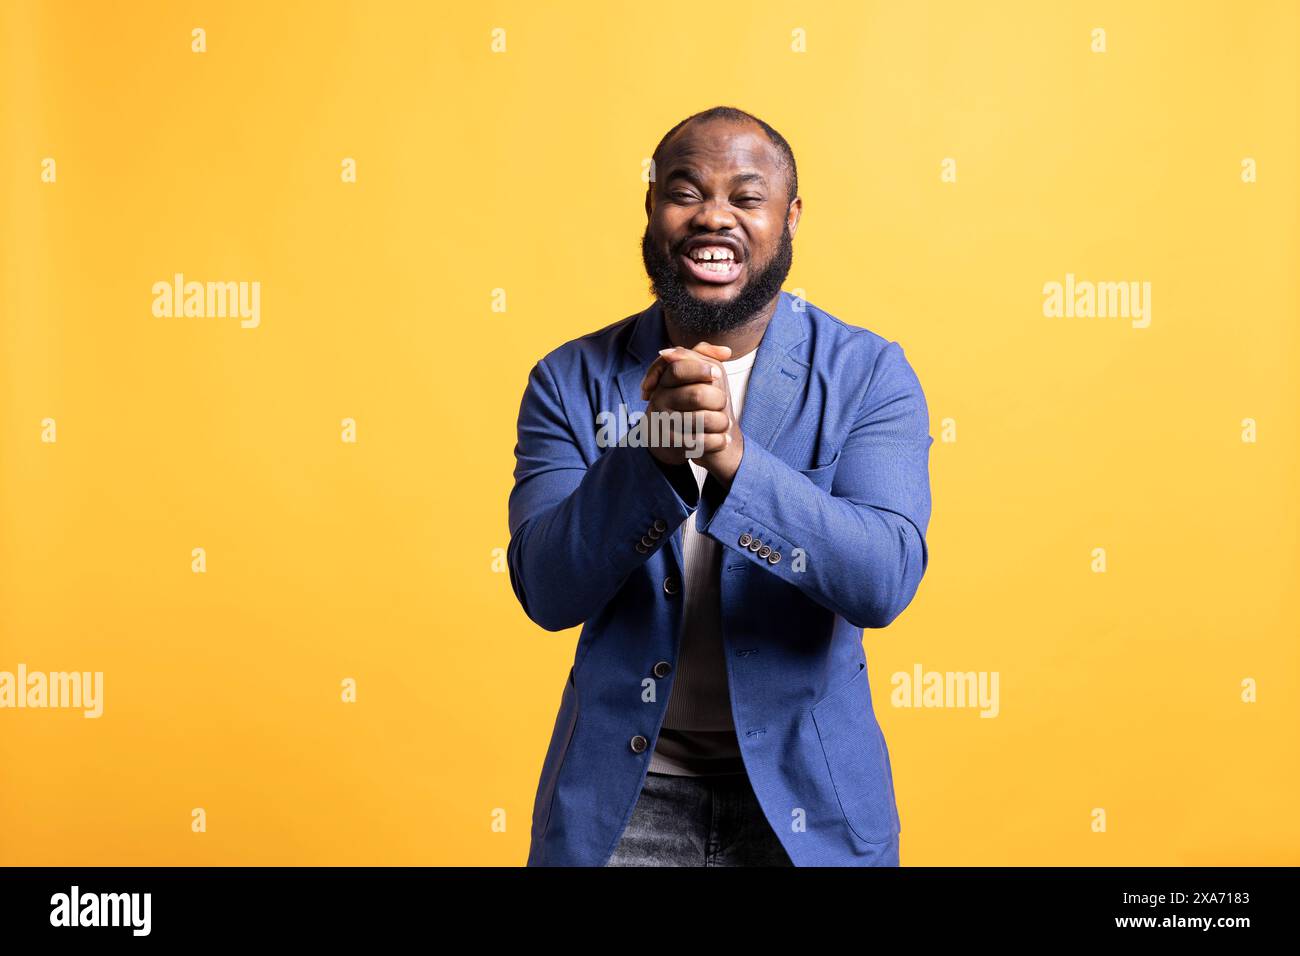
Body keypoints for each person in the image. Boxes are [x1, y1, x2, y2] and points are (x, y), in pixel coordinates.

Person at [508, 106, 933, 866]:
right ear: (651, 207)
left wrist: (737, 460)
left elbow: (882, 581)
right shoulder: (567, 379)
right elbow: (546, 589)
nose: (714, 216)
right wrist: (654, 459)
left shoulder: (870, 374)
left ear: (790, 218)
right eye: (685, 192)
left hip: (810, 809)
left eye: (746, 197)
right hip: (620, 808)